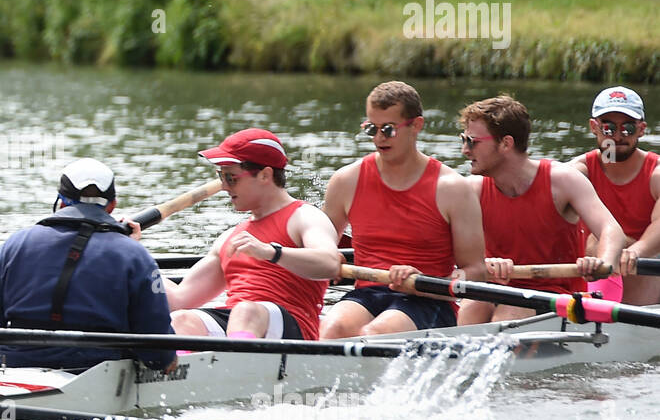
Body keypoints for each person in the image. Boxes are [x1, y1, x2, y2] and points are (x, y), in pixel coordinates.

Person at [0, 159, 176, 372]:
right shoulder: (134, 254)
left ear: (61, 202)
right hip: (98, 372)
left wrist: (9, 349)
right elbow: (159, 354)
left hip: (19, 366)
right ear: (112, 205)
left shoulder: (16, 243)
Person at [321, 81, 486, 337]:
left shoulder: (452, 188)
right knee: (332, 328)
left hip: (429, 300)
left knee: (376, 334)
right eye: (371, 129)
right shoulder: (346, 181)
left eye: (388, 129)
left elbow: (476, 271)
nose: (378, 139)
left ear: (416, 126)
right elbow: (317, 248)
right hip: (368, 292)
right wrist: (328, 255)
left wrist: (426, 282)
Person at [457, 95, 628, 324]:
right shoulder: (473, 190)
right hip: (497, 289)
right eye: (464, 140)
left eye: (472, 141)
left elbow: (610, 228)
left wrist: (602, 263)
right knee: (470, 307)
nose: (464, 150)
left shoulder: (562, 180)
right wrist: (482, 264)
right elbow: (449, 252)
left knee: (509, 310)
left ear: (506, 144)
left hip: (558, 299)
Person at [165, 129, 341, 340]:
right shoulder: (231, 237)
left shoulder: (304, 216)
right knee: (181, 320)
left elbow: (330, 264)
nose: (223, 187)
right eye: (221, 176)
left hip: (294, 331)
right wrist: (132, 253)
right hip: (240, 325)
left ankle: (234, 363)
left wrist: (271, 252)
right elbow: (179, 299)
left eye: (231, 178)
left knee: (246, 311)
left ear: (265, 175)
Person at [570, 86, 660, 304]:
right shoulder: (577, 172)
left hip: (642, 270)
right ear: (594, 127)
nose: (618, 137)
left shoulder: (656, 174)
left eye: (627, 128)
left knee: (628, 249)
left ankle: (631, 322)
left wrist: (636, 251)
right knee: (597, 242)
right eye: (608, 128)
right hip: (589, 267)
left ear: (641, 129)